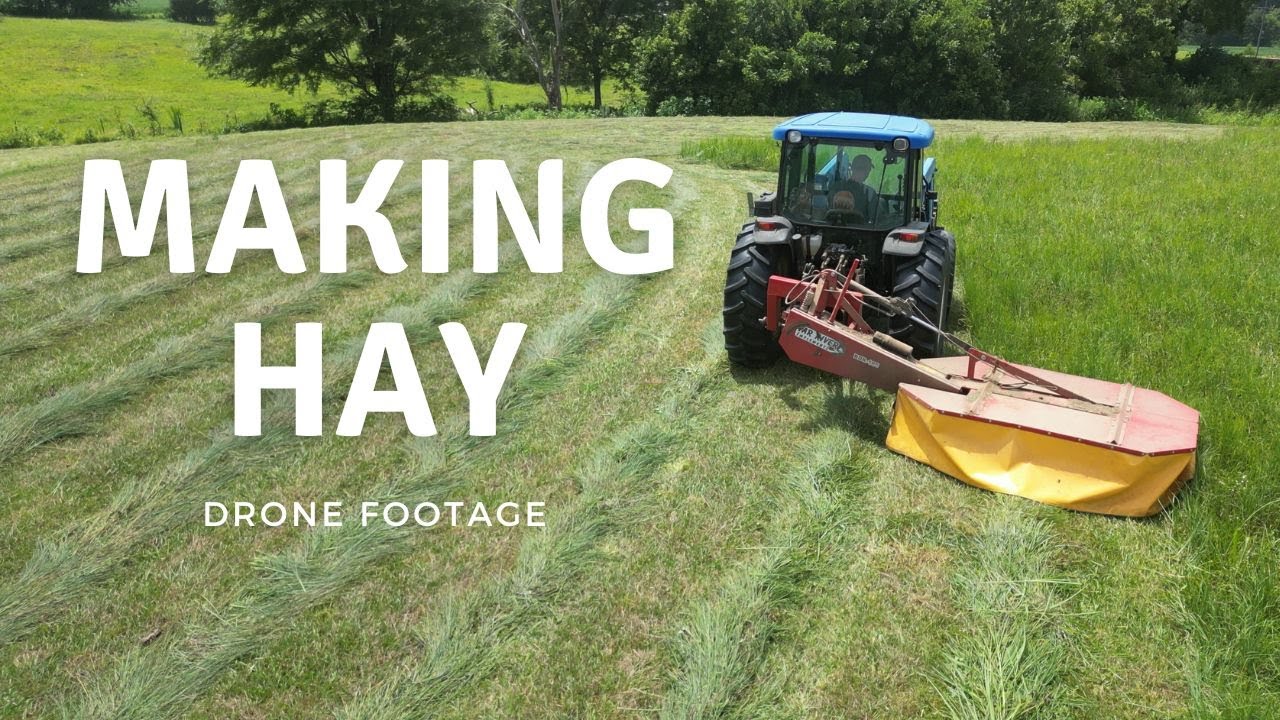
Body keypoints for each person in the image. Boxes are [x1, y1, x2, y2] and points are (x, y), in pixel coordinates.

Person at [828, 153, 878, 220]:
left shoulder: (836, 187)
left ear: (851, 168)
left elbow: (828, 209)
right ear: (867, 171)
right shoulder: (870, 193)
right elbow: (874, 218)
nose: (868, 172)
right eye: (868, 169)